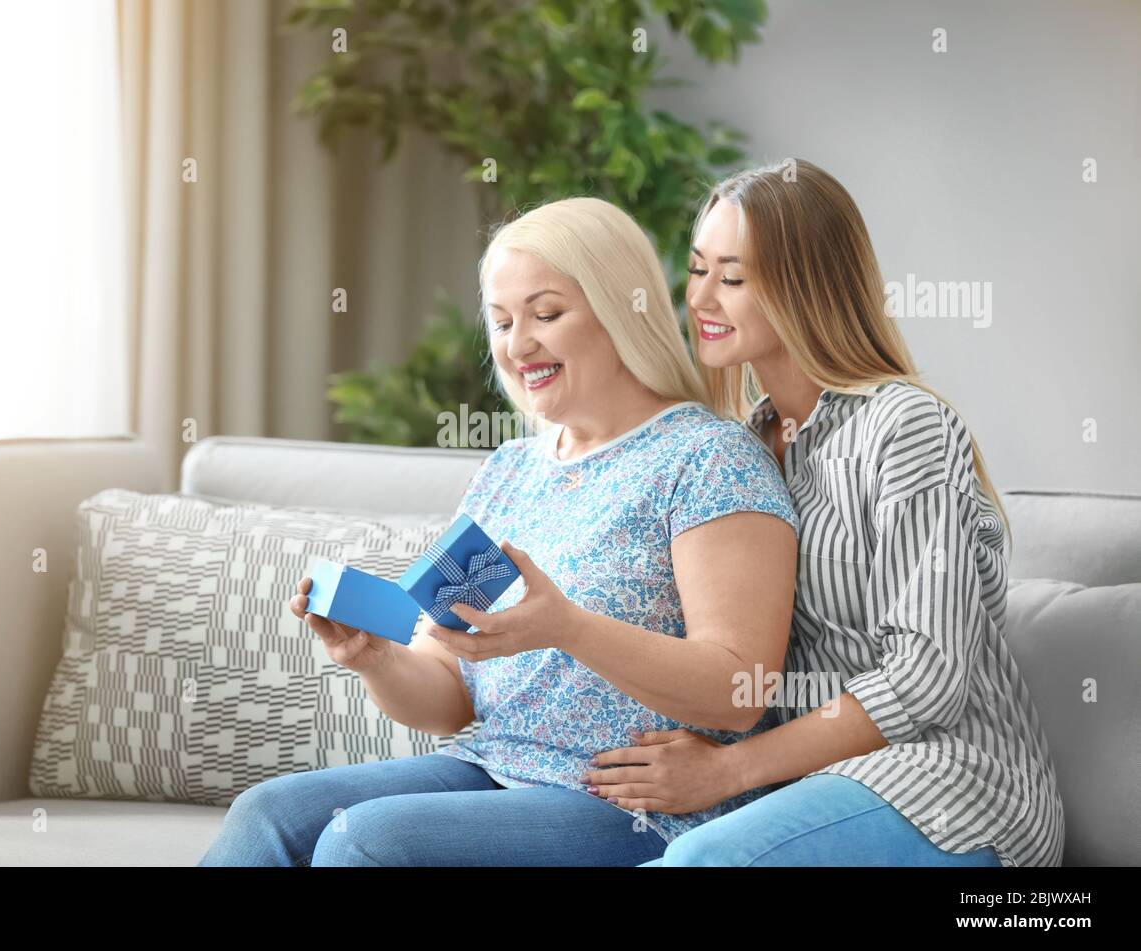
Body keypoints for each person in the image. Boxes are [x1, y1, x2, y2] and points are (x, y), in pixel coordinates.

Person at [197, 196, 798, 866]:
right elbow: (449, 696)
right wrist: (378, 660)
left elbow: (739, 689)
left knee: (364, 843)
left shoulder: (707, 457)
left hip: (632, 806)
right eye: (503, 321)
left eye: (547, 314)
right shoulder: (509, 471)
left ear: (621, 308)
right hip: (495, 765)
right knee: (267, 816)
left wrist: (568, 627)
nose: (519, 344)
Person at [582, 159, 1064, 867]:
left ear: (808, 287)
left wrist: (726, 772)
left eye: (734, 277)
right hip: (804, 788)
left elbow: (926, 676)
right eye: (697, 270)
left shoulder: (905, 427)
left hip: (951, 787)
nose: (702, 298)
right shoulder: (742, 448)